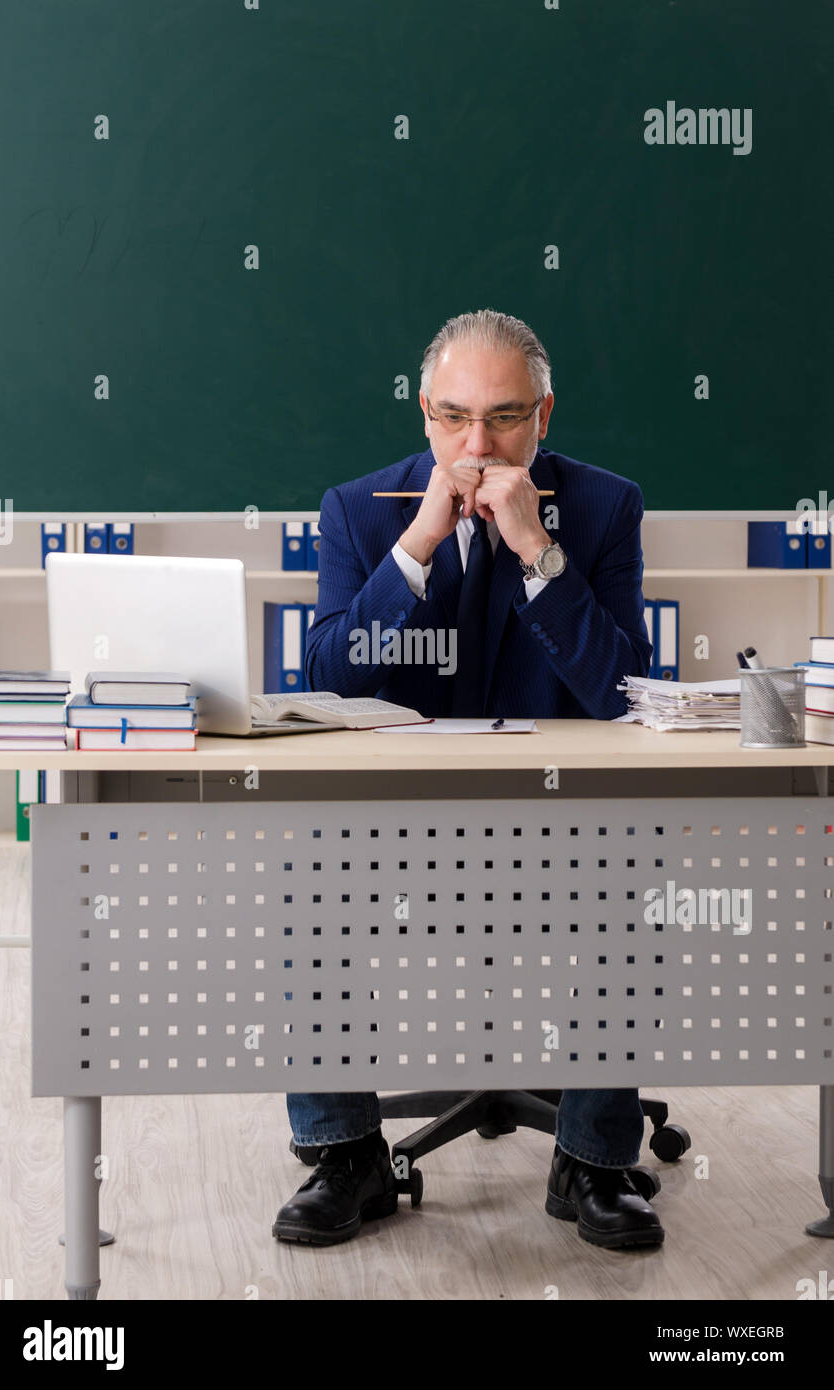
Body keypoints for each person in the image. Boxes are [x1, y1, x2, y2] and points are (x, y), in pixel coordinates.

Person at [272, 309, 660, 1250]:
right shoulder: (357, 509)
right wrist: (414, 550)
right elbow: (327, 676)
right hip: (399, 825)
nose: (476, 446)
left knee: (630, 880)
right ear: (422, 415)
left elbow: (618, 691)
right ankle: (348, 1155)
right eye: (453, 418)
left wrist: (537, 550)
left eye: (503, 419)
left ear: (543, 417)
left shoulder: (603, 508)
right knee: (304, 884)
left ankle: (593, 1162)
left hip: (562, 826)